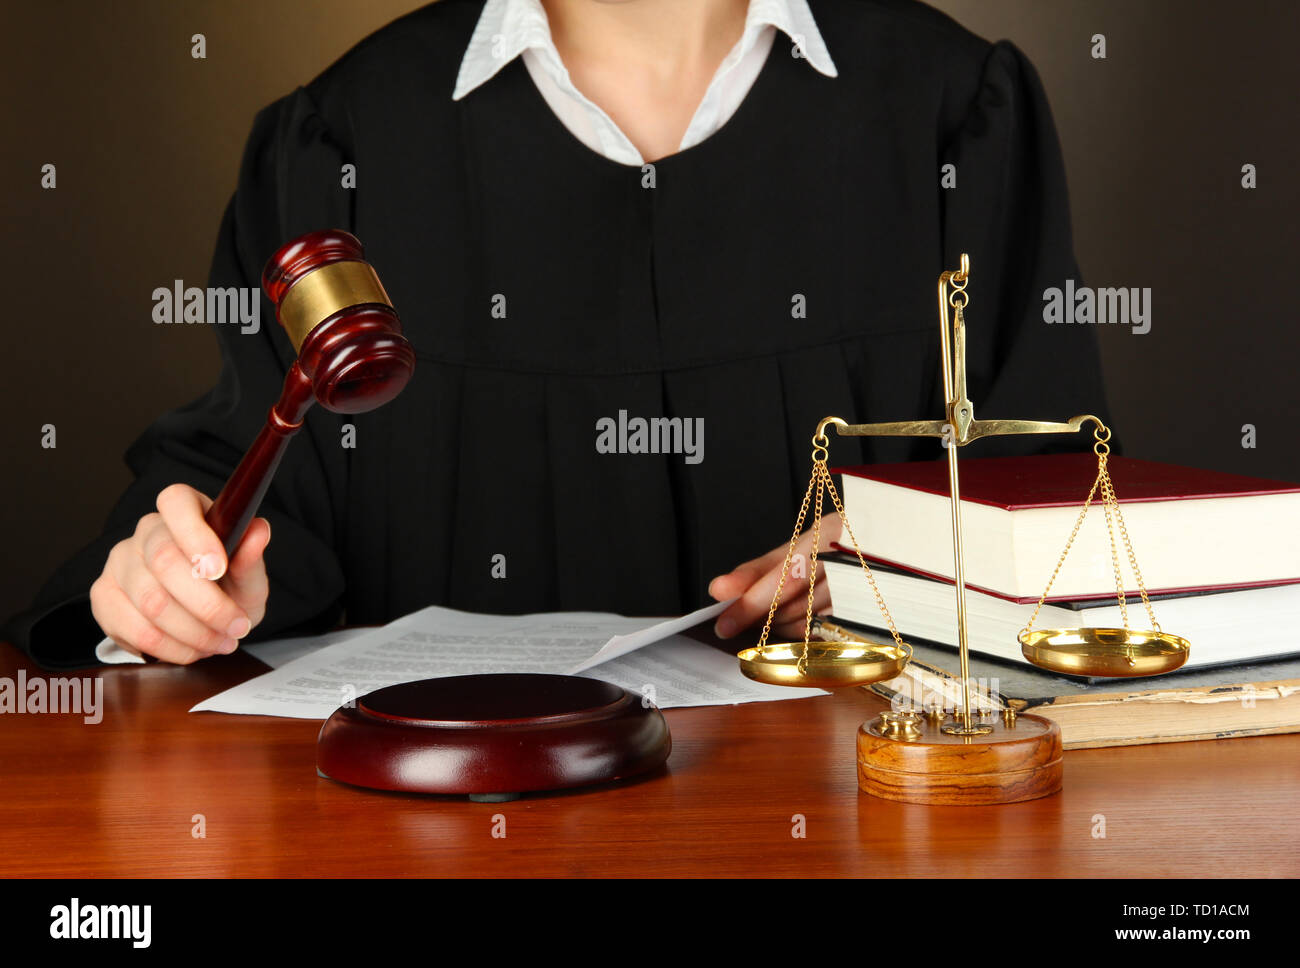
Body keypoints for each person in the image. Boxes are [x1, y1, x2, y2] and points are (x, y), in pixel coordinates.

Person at [5, 0, 1110, 668]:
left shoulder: (951, 114)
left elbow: (1049, 486)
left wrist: (906, 556)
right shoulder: (345, 141)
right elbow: (253, 506)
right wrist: (169, 584)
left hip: (863, 831)